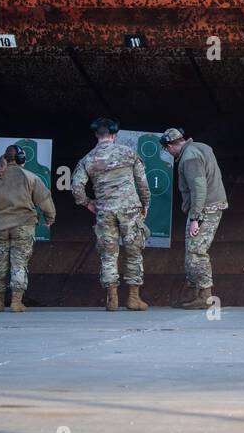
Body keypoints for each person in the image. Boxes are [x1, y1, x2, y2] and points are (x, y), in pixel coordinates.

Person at [72, 118, 151, 311]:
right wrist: (145, 204)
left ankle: (111, 299)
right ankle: (133, 298)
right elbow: (143, 184)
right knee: (133, 253)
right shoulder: (129, 153)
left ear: (96, 135)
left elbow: (76, 187)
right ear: (114, 135)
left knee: (108, 255)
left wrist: (88, 203)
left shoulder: (87, 159)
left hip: (104, 211)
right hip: (130, 210)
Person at [0, 144, 57, 312]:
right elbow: (45, 201)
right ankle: (16, 301)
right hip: (23, 226)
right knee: (19, 264)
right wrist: (50, 218)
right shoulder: (31, 177)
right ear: (21, 160)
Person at [159, 127, 228, 310]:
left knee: (197, 252)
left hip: (204, 208)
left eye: (166, 149)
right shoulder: (201, 147)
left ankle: (205, 296)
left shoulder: (189, 158)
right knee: (192, 251)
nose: (168, 153)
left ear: (171, 145)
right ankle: (193, 294)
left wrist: (195, 218)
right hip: (208, 206)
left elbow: (199, 188)